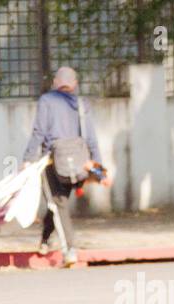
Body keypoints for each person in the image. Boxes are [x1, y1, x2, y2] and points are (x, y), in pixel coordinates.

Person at [22, 67, 110, 266]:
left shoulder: (46, 101)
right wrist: (100, 171)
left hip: (53, 162)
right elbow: (91, 138)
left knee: (57, 204)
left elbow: (39, 132)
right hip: (78, 165)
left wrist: (28, 158)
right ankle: (45, 240)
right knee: (57, 205)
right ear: (75, 84)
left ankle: (69, 250)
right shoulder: (81, 104)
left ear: (55, 82)